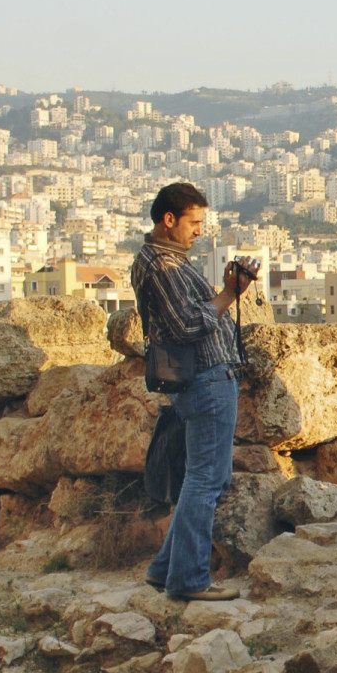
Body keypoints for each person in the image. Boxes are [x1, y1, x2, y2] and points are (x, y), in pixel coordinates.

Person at [132, 182, 254, 602]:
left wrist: (224, 290)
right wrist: (228, 294)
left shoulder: (167, 261)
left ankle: (165, 567)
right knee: (206, 480)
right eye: (194, 222)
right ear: (170, 220)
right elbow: (187, 326)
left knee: (204, 479)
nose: (199, 231)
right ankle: (189, 580)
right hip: (205, 379)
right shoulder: (160, 265)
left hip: (204, 379)